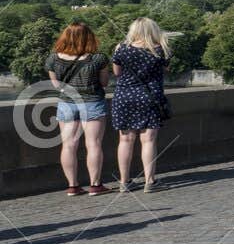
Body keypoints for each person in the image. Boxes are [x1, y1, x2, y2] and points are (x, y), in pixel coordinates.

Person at [46, 21, 112, 195]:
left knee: (68, 145)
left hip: (66, 103)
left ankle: (73, 186)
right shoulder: (98, 58)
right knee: (93, 144)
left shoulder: (53, 58)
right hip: (92, 102)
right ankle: (95, 185)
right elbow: (104, 83)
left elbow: (56, 85)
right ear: (89, 36)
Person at [111, 17, 170, 194]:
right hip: (149, 97)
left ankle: (124, 181)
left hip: (124, 97)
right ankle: (150, 181)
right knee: (148, 140)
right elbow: (166, 69)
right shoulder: (160, 49)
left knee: (125, 140)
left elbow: (116, 72)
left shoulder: (121, 48)